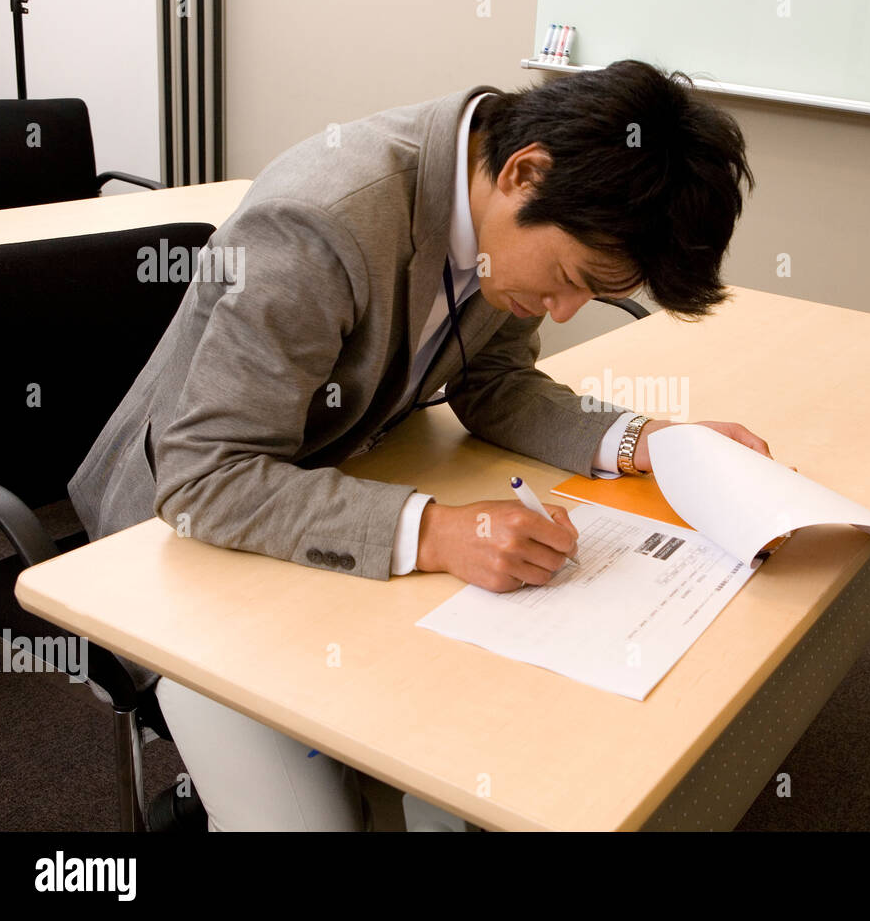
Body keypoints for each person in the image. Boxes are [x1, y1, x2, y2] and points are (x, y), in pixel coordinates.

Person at [68, 59, 766, 830]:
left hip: (345, 477)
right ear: (525, 174)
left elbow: (495, 382)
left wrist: (647, 441)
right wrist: (435, 530)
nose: (565, 311)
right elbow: (205, 478)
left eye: (593, 294)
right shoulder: (323, 220)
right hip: (174, 548)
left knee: (472, 754)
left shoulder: (500, 207)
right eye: (572, 277)